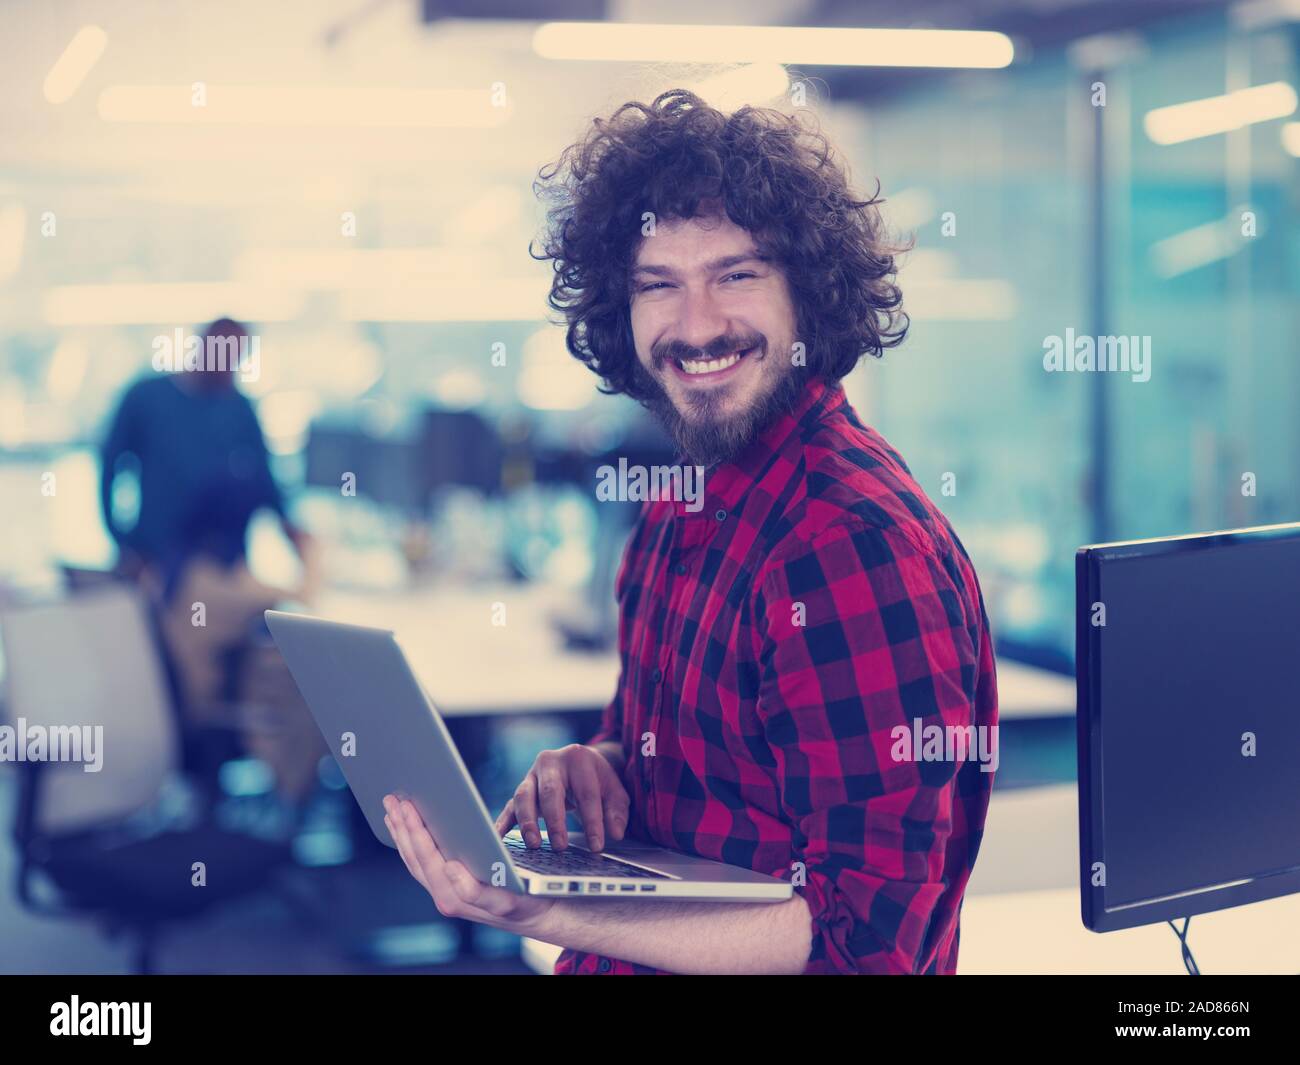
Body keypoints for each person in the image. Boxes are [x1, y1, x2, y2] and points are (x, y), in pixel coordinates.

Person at [384, 89, 1000, 974]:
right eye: (658, 285)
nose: (698, 323)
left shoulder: (850, 544)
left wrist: (544, 906)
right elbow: (671, 754)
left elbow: (864, 942)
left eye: (736, 275)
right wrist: (596, 766)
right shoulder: (682, 500)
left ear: (810, 296)